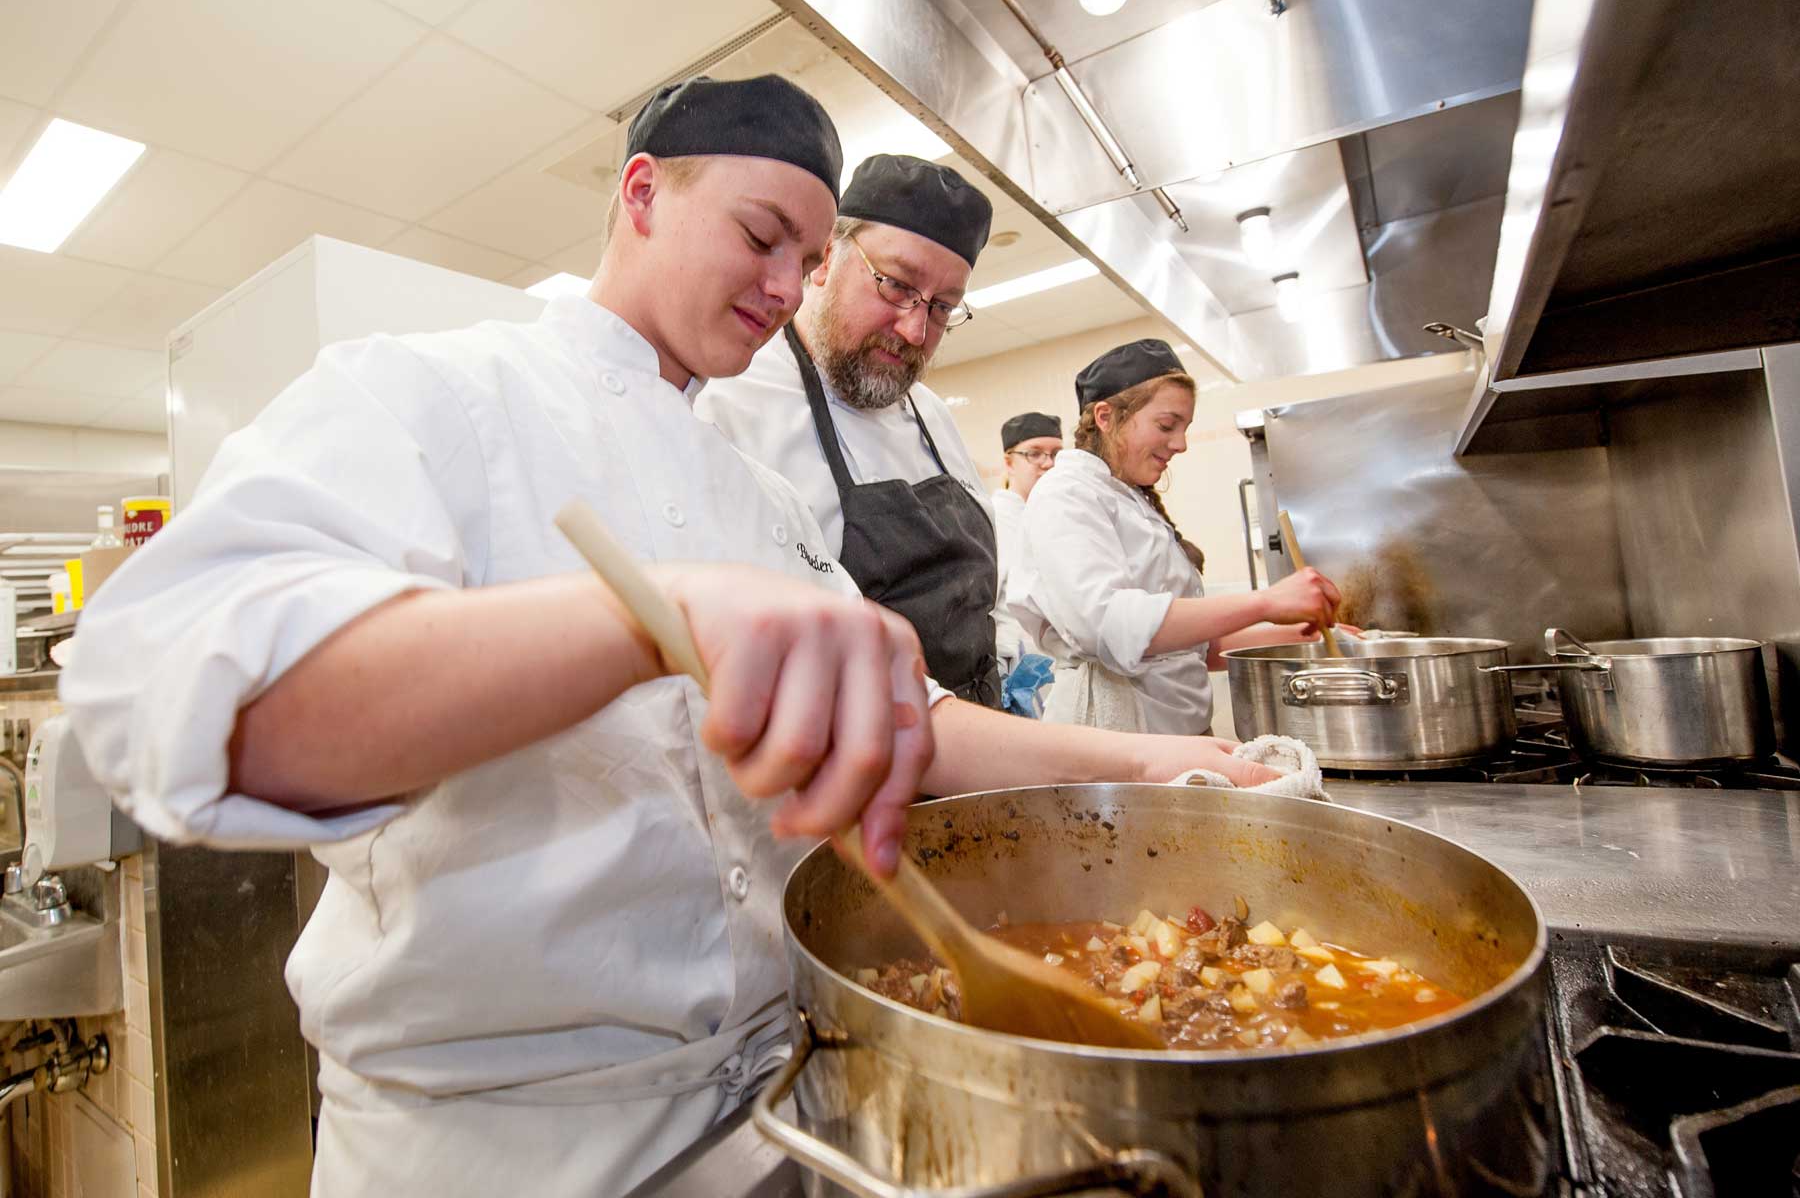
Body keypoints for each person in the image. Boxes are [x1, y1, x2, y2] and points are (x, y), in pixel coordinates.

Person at [58, 81, 1274, 1198]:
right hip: (498, 1148)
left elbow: (916, 720)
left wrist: (1154, 769)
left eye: (806, 259)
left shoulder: (760, 491)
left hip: (772, 1108)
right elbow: (176, 697)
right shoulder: (428, 395)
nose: (788, 288)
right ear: (641, 192)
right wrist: (644, 622)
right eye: (760, 238)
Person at [696, 154, 1004, 707]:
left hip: (977, 742)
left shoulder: (933, 414)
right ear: (825, 259)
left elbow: (980, 599)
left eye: (942, 309)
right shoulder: (734, 406)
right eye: (895, 285)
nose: (914, 330)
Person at [1014, 338, 1347, 735]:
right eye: (1166, 425)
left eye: (1185, 428)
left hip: (1174, 737)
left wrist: (1298, 636)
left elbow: (1190, 645)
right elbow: (1110, 627)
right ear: (1105, 416)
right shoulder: (1066, 493)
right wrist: (1265, 602)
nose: (1181, 444)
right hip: (1117, 741)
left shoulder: (1130, 499)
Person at [991, 412, 1062, 710]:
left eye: (1057, 454)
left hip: (1059, 666)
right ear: (1009, 462)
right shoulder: (996, 516)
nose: (1048, 463)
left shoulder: (1054, 516)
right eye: (1034, 454)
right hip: (1017, 668)